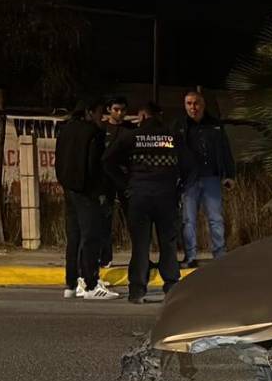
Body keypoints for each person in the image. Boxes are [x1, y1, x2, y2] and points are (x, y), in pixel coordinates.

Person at [103, 101, 181, 303]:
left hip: (139, 196)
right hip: (166, 197)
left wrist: (125, 184)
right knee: (168, 243)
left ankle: (137, 290)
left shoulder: (131, 137)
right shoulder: (171, 138)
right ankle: (171, 285)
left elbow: (108, 160)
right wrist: (179, 187)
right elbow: (191, 164)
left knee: (140, 245)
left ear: (143, 116)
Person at [55, 97, 120, 300]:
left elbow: (59, 161)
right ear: (89, 112)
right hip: (88, 191)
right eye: (100, 112)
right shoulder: (93, 132)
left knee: (74, 237)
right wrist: (99, 191)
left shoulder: (65, 130)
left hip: (70, 190)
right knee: (91, 236)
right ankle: (91, 284)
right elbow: (96, 164)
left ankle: (71, 283)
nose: (102, 116)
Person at [174, 89, 236, 268]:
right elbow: (173, 151)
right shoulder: (179, 125)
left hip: (211, 177)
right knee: (188, 220)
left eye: (196, 103)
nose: (193, 107)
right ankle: (190, 256)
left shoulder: (215, 125)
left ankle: (220, 254)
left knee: (216, 218)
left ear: (203, 104)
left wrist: (229, 175)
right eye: (189, 104)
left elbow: (225, 150)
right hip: (189, 180)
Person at [98, 96, 136, 268]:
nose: (119, 113)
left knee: (133, 218)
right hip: (106, 179)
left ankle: (139, 256)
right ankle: (105, 257)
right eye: (116, 109)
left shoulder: (130, 129)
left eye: (123, 110)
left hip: (125, 179)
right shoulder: (102, 129)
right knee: (105, 218)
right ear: (109, 110)